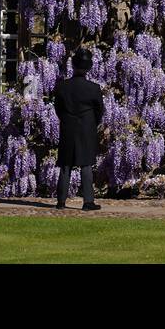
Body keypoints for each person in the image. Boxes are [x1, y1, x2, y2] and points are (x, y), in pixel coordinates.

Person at [54, 47, 104, 210]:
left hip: (67, 128)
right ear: (88, 68)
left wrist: (67, 120)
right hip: (86, 129)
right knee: (86, 165)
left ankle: (61, 201)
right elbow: (99, 111)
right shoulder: (94, 88)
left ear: (73, 66)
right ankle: (88, 201)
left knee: (65, 165)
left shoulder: (62, 86)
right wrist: (91, 123)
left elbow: (58, 109)